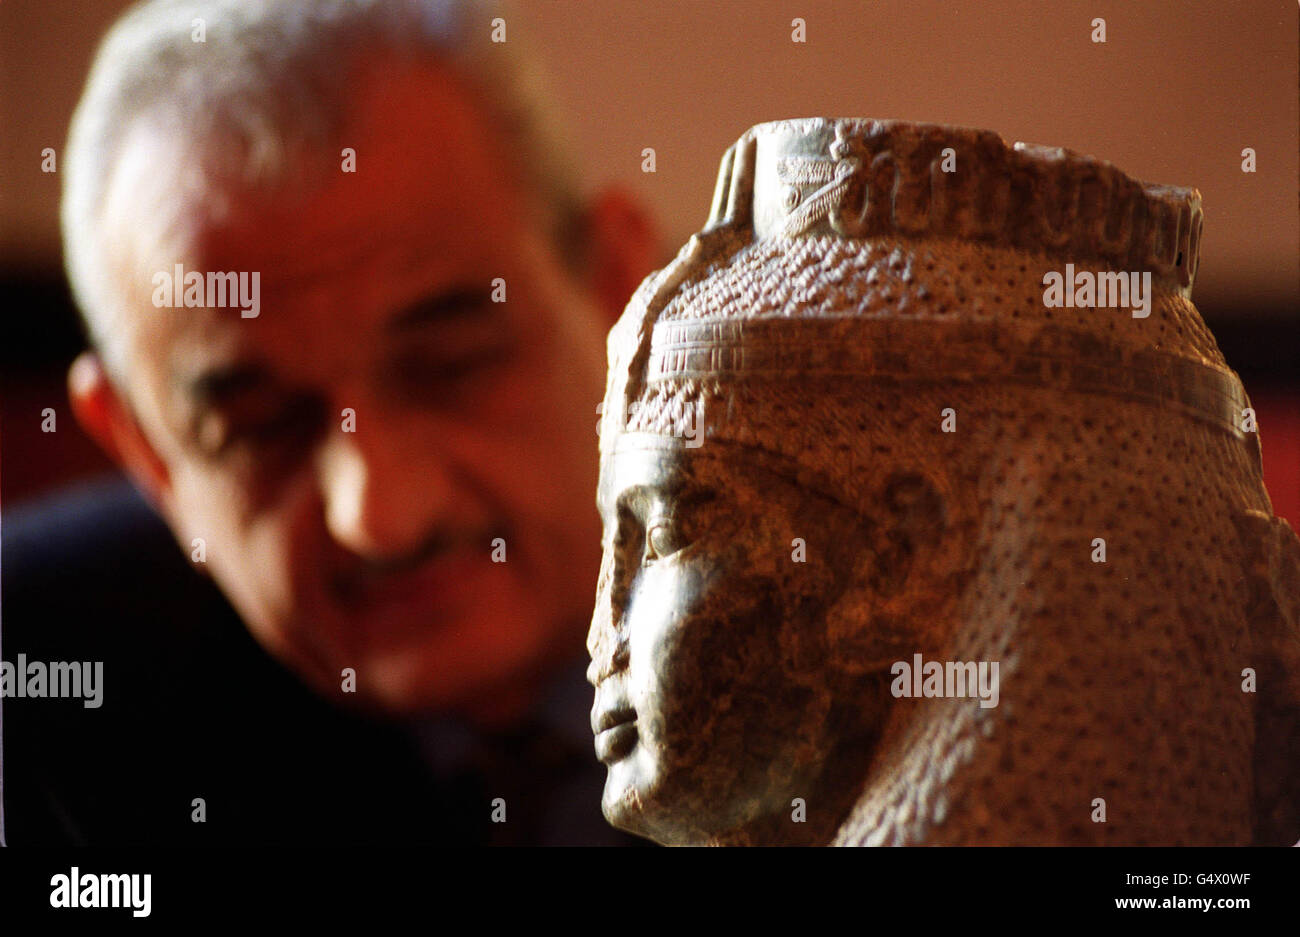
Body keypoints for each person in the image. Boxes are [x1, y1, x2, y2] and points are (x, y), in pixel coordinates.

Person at [3, 0, 657, 845]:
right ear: (143, 451)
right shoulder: (38, 706)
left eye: (450, 366)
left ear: (621, 296)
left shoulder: (859, 642)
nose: (381, 514)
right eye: (260, 425)